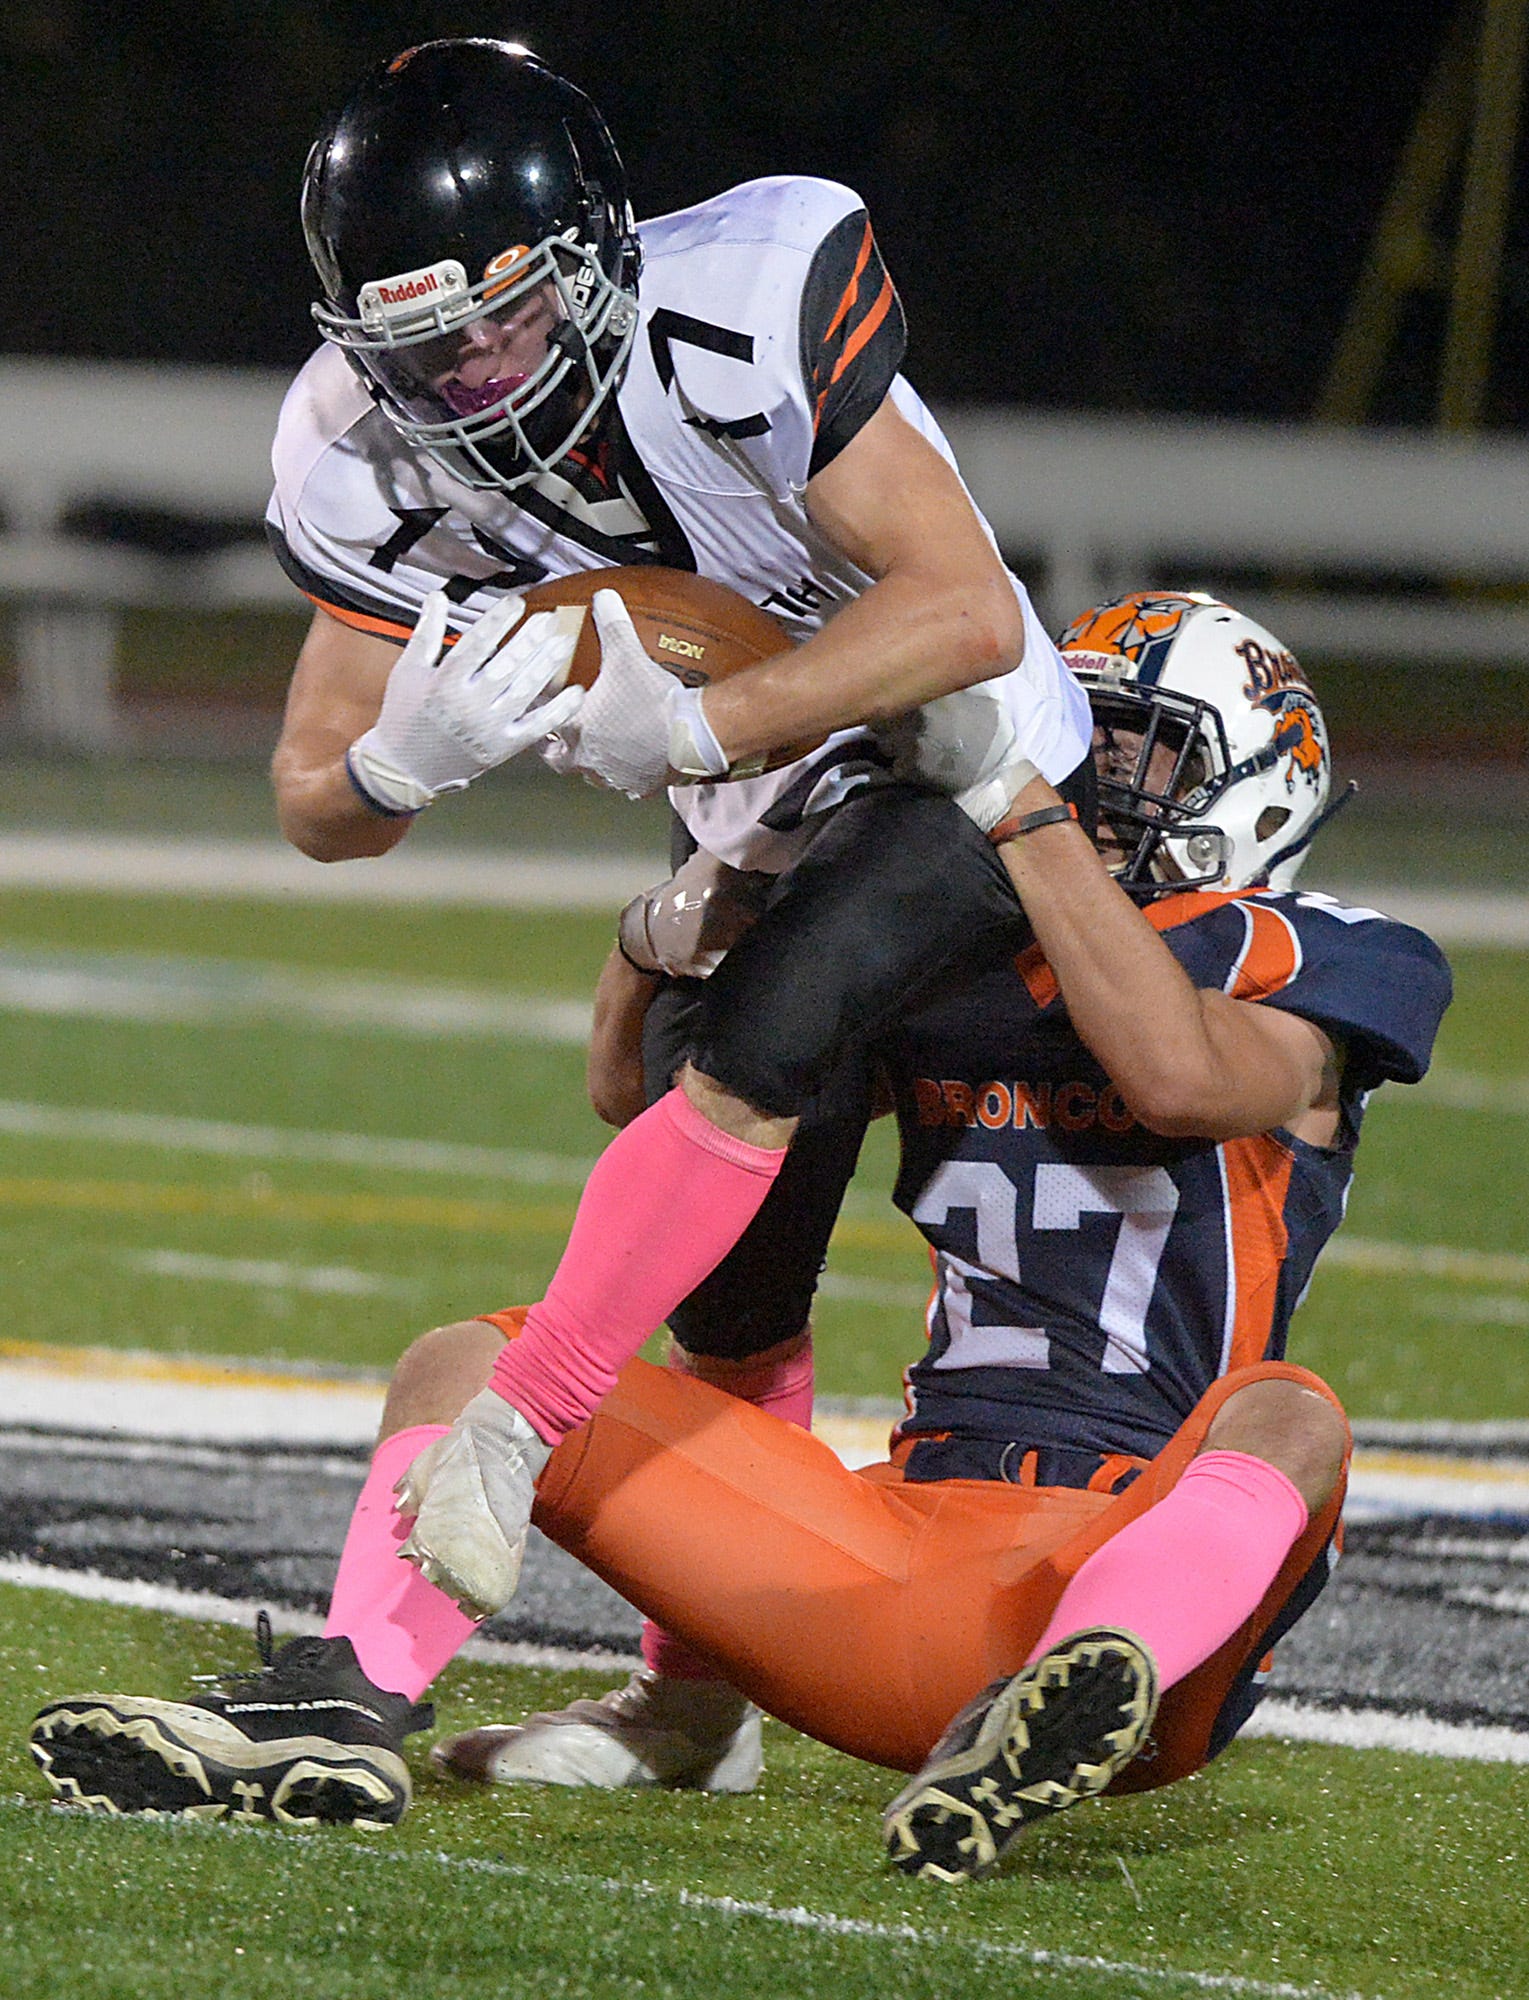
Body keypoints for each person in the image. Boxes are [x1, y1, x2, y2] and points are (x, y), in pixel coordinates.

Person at [30, 593, 1453, 1882]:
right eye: (1085, 739)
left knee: (1287, 1413)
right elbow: (648, 1098)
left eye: (1136, 752)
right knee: (467, 1363)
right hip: (901, 1560)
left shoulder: (1328, 954)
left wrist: (1018, 811)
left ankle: (1082, 1683)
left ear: (1257, 784)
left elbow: (1179, 1076)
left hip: (1145, 1559)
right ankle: (343, 1705)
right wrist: (662, 934)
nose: (1095, 777)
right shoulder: (969, 943)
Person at [260, 35, 1092, 1701]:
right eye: (420, 347)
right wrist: (396, 765)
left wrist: (709, 729)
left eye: (499, 320)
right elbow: (312, 802)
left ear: (592, 260)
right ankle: (692, 1707)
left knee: (762, 1038)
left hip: (961, 756)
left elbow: (961, 611)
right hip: (748, 802)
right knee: (733, 1298)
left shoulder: (743, 299)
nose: (470, 376)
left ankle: (515, 1430)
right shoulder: (360, 445)